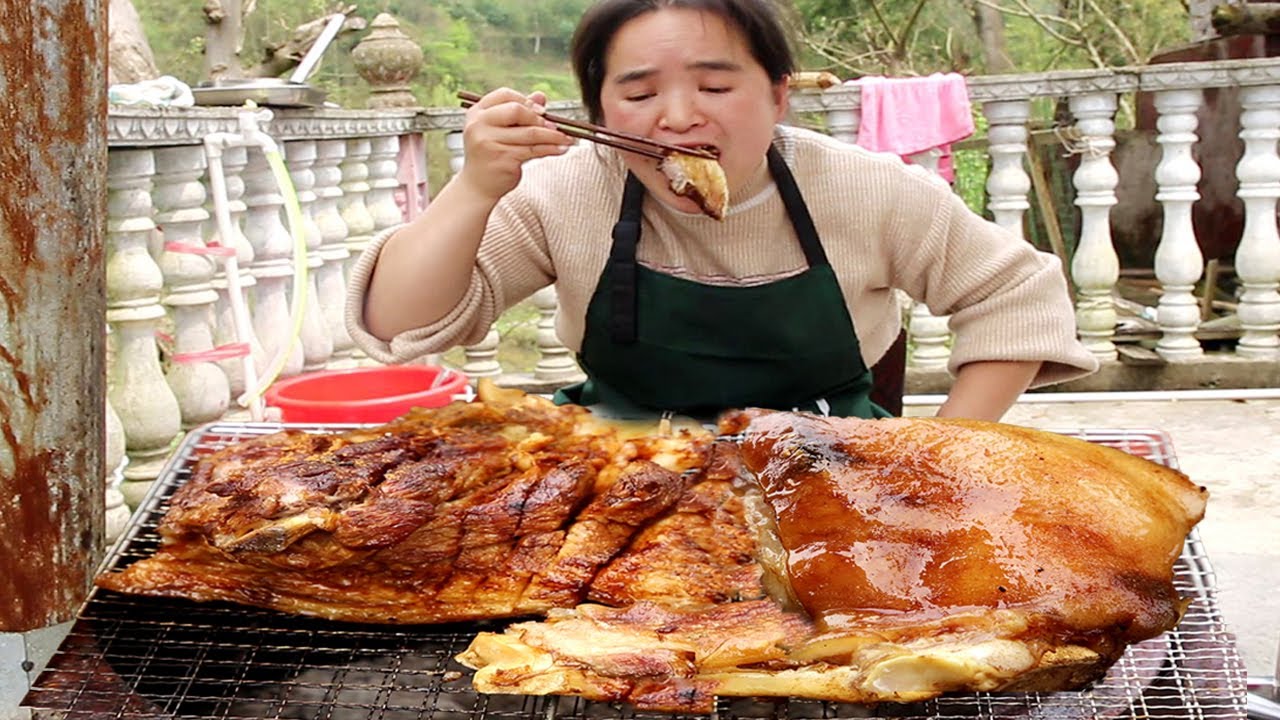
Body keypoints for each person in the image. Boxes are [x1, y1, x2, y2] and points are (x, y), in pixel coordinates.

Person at [346, 0, 1098, 422]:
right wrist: (476, 187)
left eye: (714, 86)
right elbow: (395, 321)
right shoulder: (563, 191)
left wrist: (942, 457)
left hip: (831, 468)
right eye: (639, 93)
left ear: (777, 95)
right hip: (620, 469)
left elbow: (1017, 293)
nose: (677, 116)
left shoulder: (866, 188)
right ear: (599, 109)